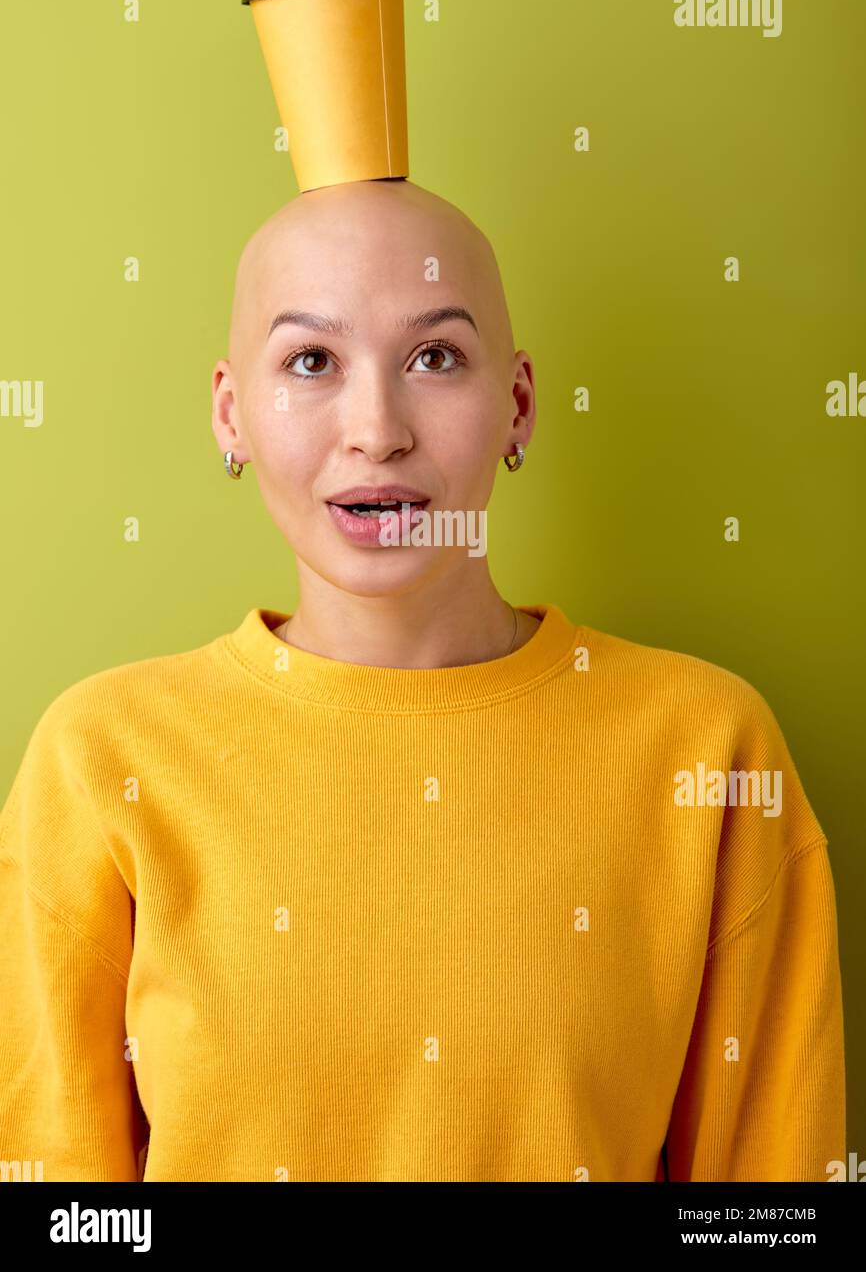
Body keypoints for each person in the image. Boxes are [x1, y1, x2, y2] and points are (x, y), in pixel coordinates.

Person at [0, 178, 845, 1182]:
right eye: (309, 360)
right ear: (232, 413)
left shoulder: (708, 746)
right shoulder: (101, 759)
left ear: (519, 402)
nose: (375, 429)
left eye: (433, 357)